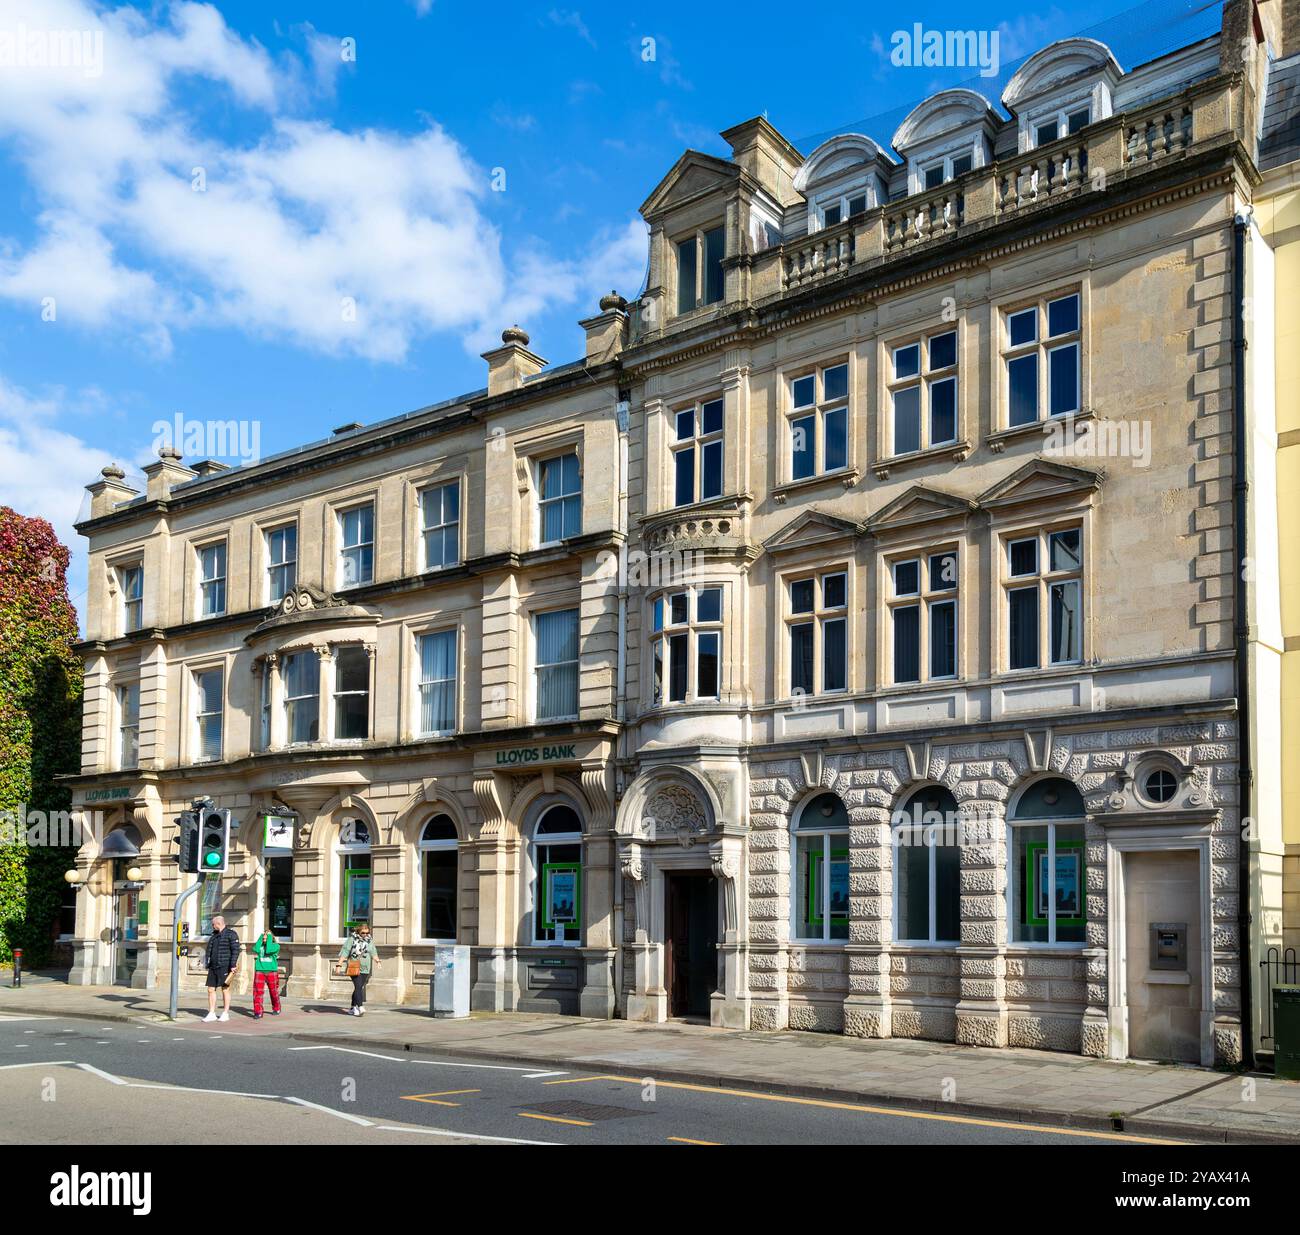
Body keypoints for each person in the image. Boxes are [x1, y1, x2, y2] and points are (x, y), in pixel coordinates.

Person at [334, 924, 379, 1016]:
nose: (365, 934)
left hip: (366, 967)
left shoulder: (369, 940)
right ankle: (360, 1006)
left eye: (367, 933)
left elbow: (373, 951)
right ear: (358, 932)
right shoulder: (352, 939)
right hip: (354, 966)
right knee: (358, 987)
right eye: (363, 933)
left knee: (358, 988)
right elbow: (345, 951)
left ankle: (352, 1007)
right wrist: (339, 965)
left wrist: (377, 961)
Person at [203, 915, 240, 1022]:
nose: (212, 926)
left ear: (218, 924)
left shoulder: (231, 934)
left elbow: (235, 950)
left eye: (213, 924)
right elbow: (209, 950)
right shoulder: (214, 936)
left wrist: (233, 965)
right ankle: (211, 1013)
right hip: (213, 966)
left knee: (225, 989)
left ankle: (225, 1013)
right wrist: (207, 962)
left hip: (225, 966)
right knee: (210, 989)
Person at [251, 929, 282, 1019]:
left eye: (267, 935)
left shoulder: (276, 946)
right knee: (257, 992)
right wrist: (261, 938)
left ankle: (276, 1007)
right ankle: (258, 1012)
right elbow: (255, 949)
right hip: (259, 970)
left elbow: (268, 950)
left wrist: (268, 938)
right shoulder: (260, 945)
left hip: (271, 971)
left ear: (271, 937)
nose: (265, 936)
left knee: (273, 992)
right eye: (264, 935)